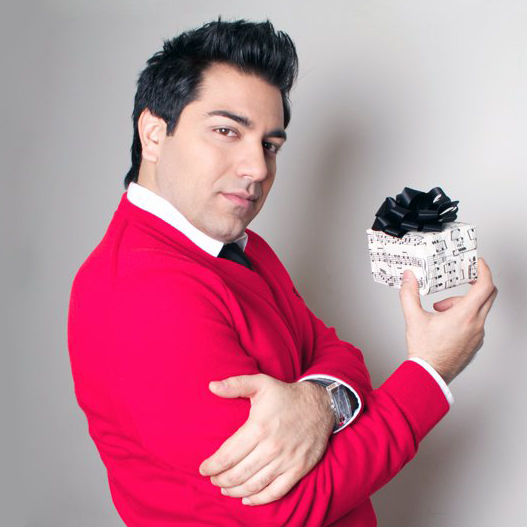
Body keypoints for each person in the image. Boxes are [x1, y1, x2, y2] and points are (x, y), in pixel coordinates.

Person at [67, 18, 497, 527]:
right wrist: (431, 371)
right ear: (154, 133)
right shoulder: (147, 293)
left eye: (270, 145)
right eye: (227, 131)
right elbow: (289, 510)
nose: (257, 168)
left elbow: (336, 351)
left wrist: (318, 402)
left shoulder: (236, 246)